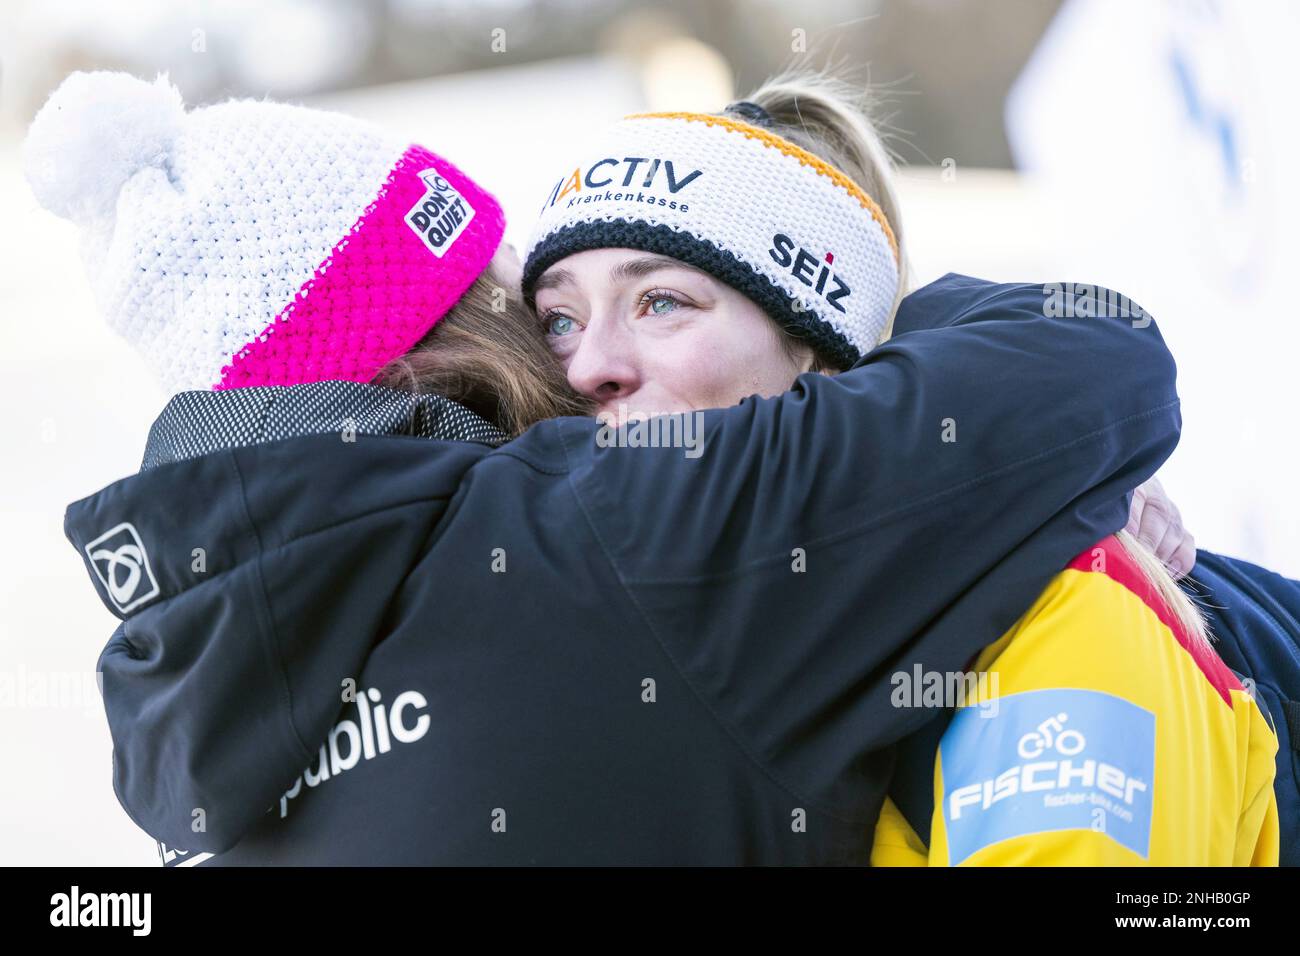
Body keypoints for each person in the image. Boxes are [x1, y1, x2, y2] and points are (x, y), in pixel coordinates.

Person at [33, 71, 1178, 864]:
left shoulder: (190, 698)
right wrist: (934, 411)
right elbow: (1090, 364)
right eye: (543, 310)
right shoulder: (613, 533)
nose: (585, 369)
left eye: (659, 301)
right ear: (450, 337)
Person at [520, 73, 1279, 865]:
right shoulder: (666, 650)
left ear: (818, 357)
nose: (588, 368)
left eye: (662, 302)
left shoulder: (1060, 608)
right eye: (561, 320)